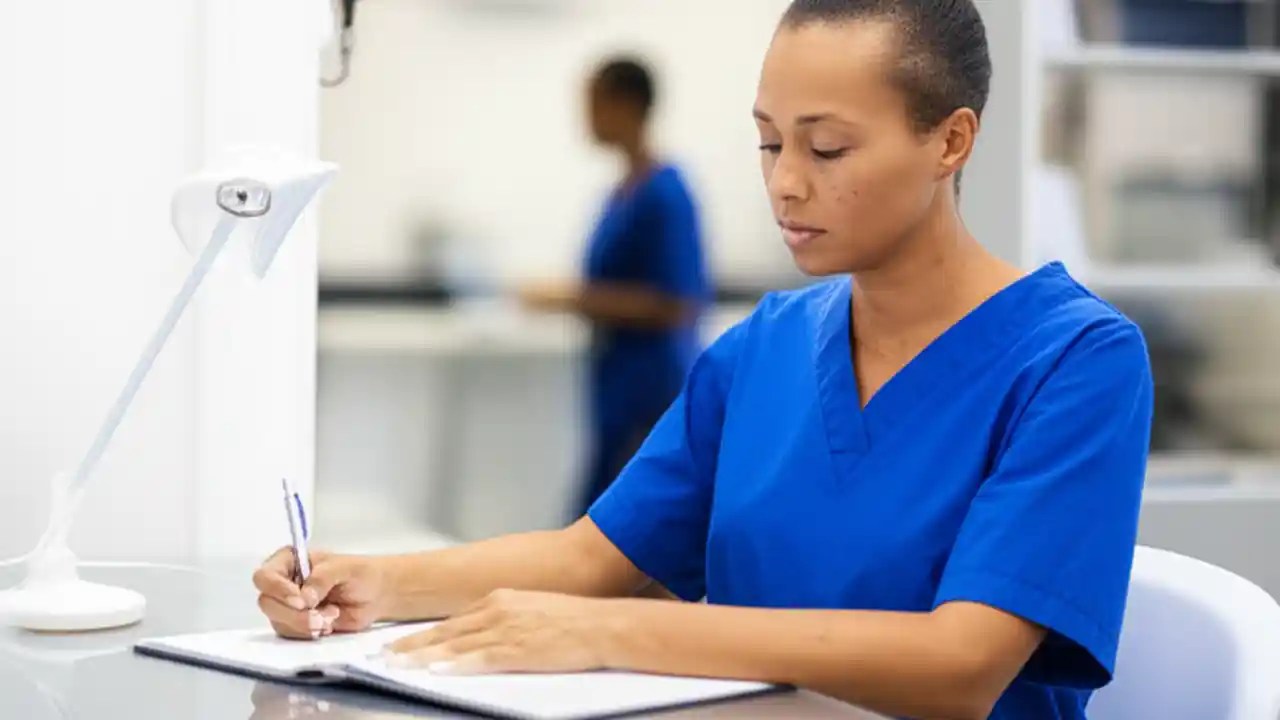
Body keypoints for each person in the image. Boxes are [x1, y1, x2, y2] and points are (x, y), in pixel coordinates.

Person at [254, 2, 1153, 718]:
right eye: (769, 142)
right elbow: (589, 561)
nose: (786, 181)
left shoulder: (1076, 362)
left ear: (951, 141)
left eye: (827, 147)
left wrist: (616, 635)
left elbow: (960, 669)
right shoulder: (763, 349)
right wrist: (369, 584)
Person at [521, 57, 709, 517]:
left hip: (650, 385)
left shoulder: (666, 194)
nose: (586, 117)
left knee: (631, 518)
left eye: (594, 103)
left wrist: (570, 298)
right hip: (616, 379)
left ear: (626, 105)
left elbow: (678, 303)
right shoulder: (623, 191)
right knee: (601, 507)